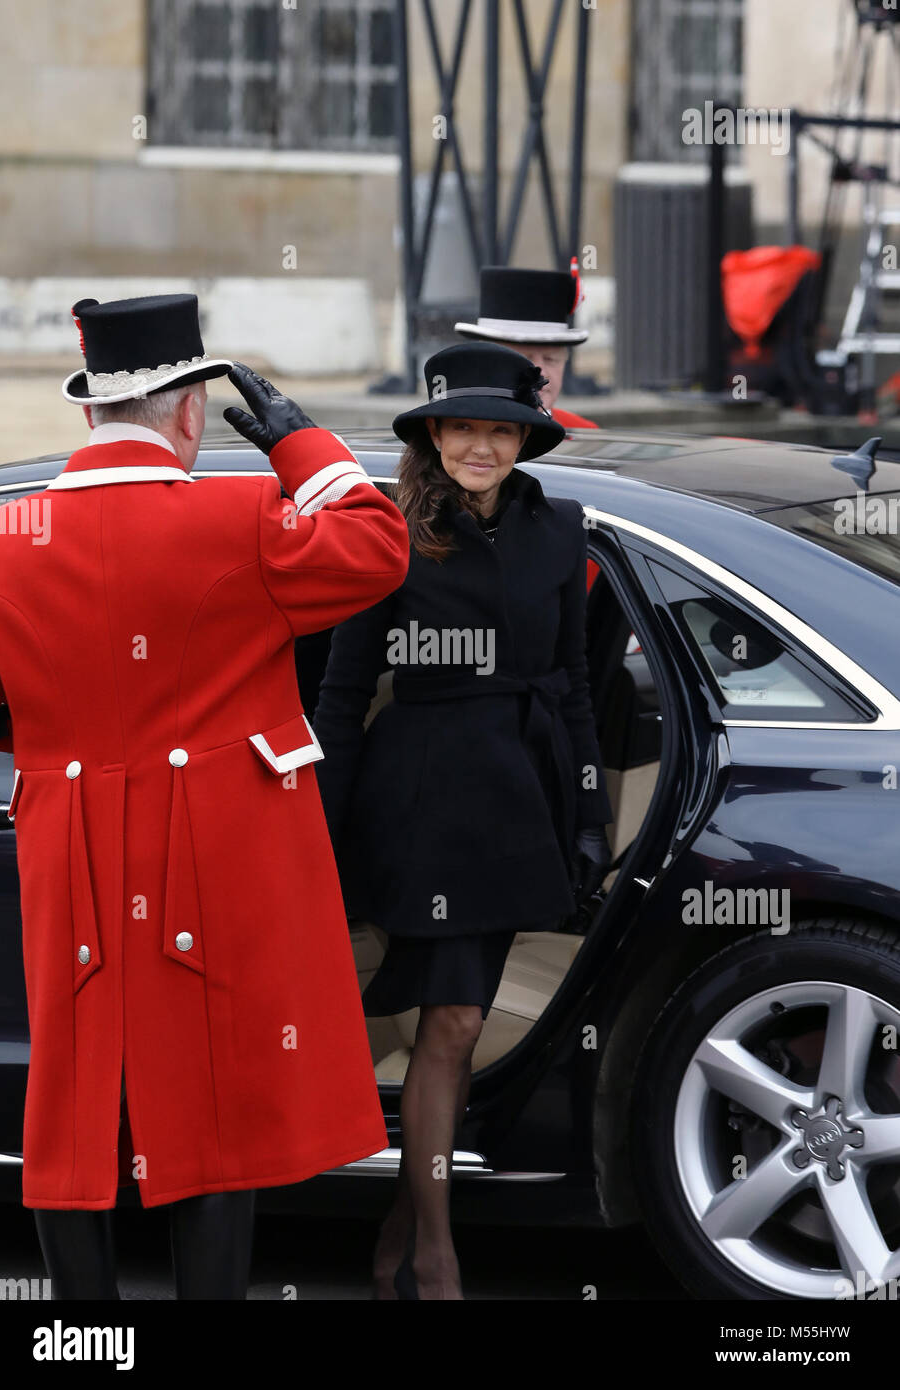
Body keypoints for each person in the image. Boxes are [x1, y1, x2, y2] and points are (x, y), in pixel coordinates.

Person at [0, 293, 410, 1298]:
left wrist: (51, 728)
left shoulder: (5, 536)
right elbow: (374, 546)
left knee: (73, 1093)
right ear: (188, 411)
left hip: (68, 839)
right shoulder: (238, 516)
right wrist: (305, 446)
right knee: (210, 1100)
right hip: (210, 849)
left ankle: (85, 1330)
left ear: (90, 412)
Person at [312, 341, 614, 1300]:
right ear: (433, 433)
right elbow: (343, 692)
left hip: (518, 804)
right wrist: (315, 830)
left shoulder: (559, 529)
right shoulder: (385, 532)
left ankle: (403, 1229)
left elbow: (573, 683)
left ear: (523, 437)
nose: (478, 446)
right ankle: (437, 1259)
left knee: (459, 1020)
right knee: (446, 1023)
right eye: (461, 427)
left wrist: (588, 812)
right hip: (419, 807)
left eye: (498, 428)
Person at [455, 263, 600, 428]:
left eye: (551, 359)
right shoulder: (456, 434)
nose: (541, 372)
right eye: (524, 359)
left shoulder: (583, 433)